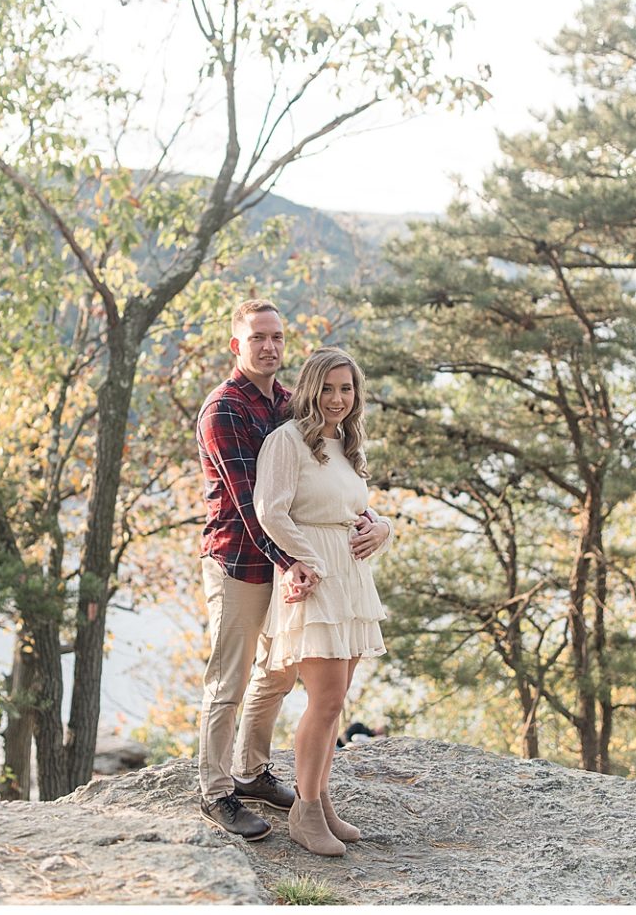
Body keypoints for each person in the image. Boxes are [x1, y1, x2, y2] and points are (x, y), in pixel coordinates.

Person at [252, 346, 392, 856]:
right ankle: (304, 810)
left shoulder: (346, 444)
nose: (337, 398)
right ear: (310, 389)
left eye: (346, 388)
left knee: (337, 701)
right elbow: (270, 511)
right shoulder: (287, 440)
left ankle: (320, 799)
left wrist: (384, 528)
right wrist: (307, 561)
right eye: (328, 388)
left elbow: (356, 511)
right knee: (325, 699)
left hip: (351, 579)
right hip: (314, 578)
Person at [192, 299, 314, 840]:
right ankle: (216, 792)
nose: (269, 346)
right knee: (230, 678)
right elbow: (250, 504)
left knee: (280, 670)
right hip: (239, 562)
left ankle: (251, 773)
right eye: (258, 337)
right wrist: (293, 561)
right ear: (236, 345)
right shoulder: (224, 409)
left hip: (282, 560)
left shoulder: (289, 403)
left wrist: (369, 520)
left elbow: (320, 476)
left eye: (277, 337)